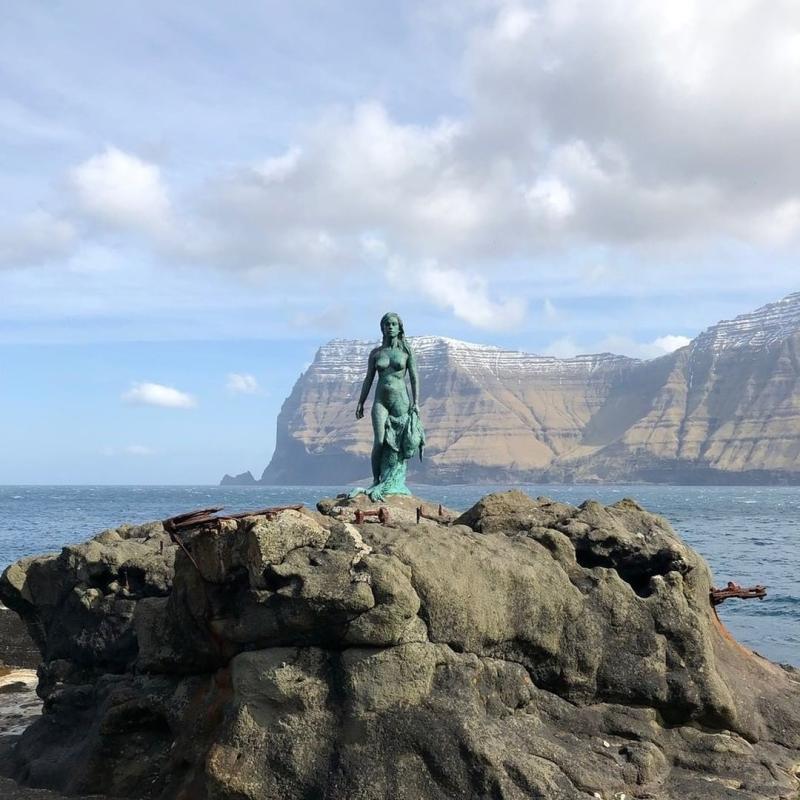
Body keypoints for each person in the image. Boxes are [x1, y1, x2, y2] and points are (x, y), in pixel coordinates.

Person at [352, 312, 425, 500]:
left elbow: (414, 377)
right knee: (380, 441)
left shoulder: (406, 352)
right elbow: (368, 379)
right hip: (380, 401)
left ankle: (394, 481)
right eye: (386, 324)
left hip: (401, 401)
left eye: (393, 324)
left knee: (398, 445)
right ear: (382, 328)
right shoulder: (376, 354)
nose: (390, 327)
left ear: (400, 327)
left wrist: (416, 402)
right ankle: (377, 479)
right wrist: (361, 401)